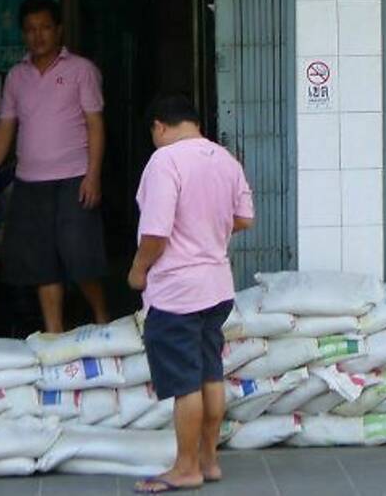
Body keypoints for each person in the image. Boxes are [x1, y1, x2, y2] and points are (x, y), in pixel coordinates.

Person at [129, 93, 254, 494]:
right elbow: (243, 219)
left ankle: (185, 468)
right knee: (209, 373)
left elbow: (155, 232)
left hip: (177, 292)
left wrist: (138, 269)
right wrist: (207, 232)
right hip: (217, 286)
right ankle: (209, 460)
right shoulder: (225, 158)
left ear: (159, 126)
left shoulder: (164, 161)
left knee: (185, 384)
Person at [0, 0, 109, 334]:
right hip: (30, 182)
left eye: (45, 28)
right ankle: (54, 333)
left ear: (58, 29)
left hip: (74, 178)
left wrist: (93, 175)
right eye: (31, 29)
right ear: (23, 34)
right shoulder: (16, 77)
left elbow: (95, 124)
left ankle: (103, 317)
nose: (38, 36)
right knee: (42, 263)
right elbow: (6, 127)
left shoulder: (81, 70)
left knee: (81, 260)